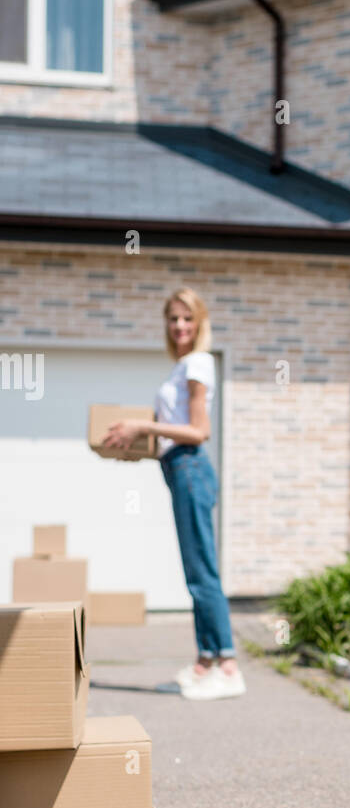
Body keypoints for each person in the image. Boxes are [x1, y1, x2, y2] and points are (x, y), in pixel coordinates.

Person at [102, 287, 245, 702]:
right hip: (177, 467)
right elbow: (174, 434)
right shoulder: (181, 366)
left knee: (203, 572)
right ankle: (205, 663)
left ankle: (229, 667)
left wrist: (142, 428)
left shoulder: (197, 364)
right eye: (173, 319)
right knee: (193, 570)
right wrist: (140, 450)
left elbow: (199, 431)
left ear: (200, 322)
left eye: (187, 318)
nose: (179, 326)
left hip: (191, 469)